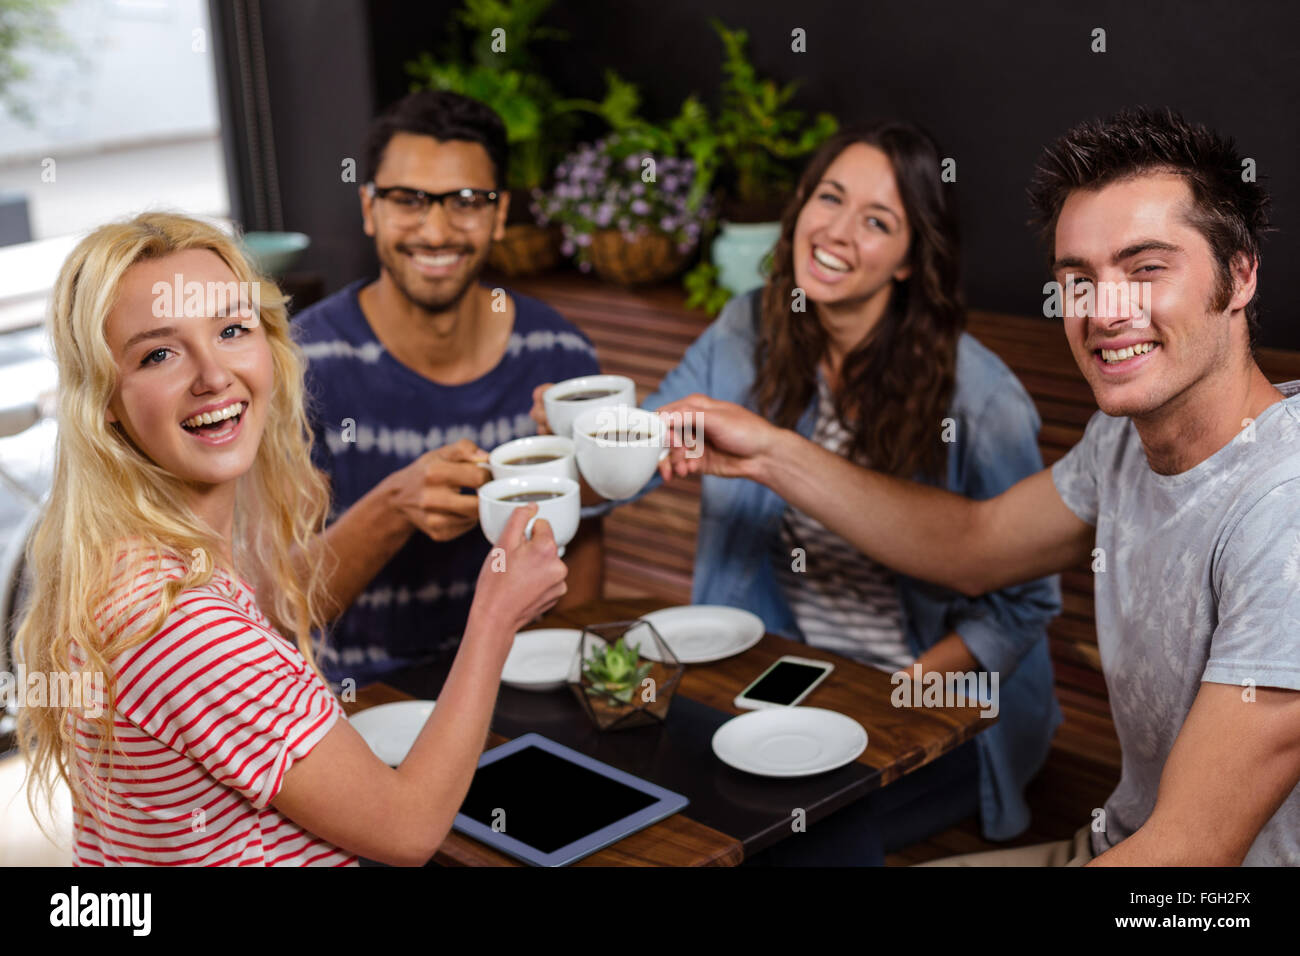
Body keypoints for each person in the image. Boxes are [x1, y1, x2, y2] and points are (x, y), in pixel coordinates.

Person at [658, 107, 1300, 866]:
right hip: (1107, 845)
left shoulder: (1282, 503)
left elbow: (1186, 858)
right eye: (1078, 279)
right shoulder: (1120, 441)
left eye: (1147, 268)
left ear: (1242, 273)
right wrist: (769, 453)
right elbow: (972, 546)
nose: (1105, 309)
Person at [533, 122, 1062, 861]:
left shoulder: (980, 400)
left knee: (801, 841)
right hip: (776, 686)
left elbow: (1025, 603)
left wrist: (891, 697)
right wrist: (580, 439)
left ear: (912, 260)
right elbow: (637, 455)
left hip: (933, 707)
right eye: (829, 198)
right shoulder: (744, 331)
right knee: (616, 784)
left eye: (877, 221)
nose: (837, 232)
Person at [14, 212, 567, 866]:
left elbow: (248, 641)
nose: (212, 375)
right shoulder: (182, 625)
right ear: (105, 397)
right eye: (159, 353)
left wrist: (391, 503)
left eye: (230, 329)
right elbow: (407, 829)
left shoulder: (130, 565)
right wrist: (496, 614)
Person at [292, 90, 602, 687]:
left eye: (466, 201)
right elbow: (286, 603)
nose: (436, 231)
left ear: (500, 212)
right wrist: (395, 506)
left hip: (517, 683)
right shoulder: (299, 366)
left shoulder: (559, 354)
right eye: (407, 200)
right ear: (369, 207)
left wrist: (555, 686)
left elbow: (583, 542)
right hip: (356, 703)